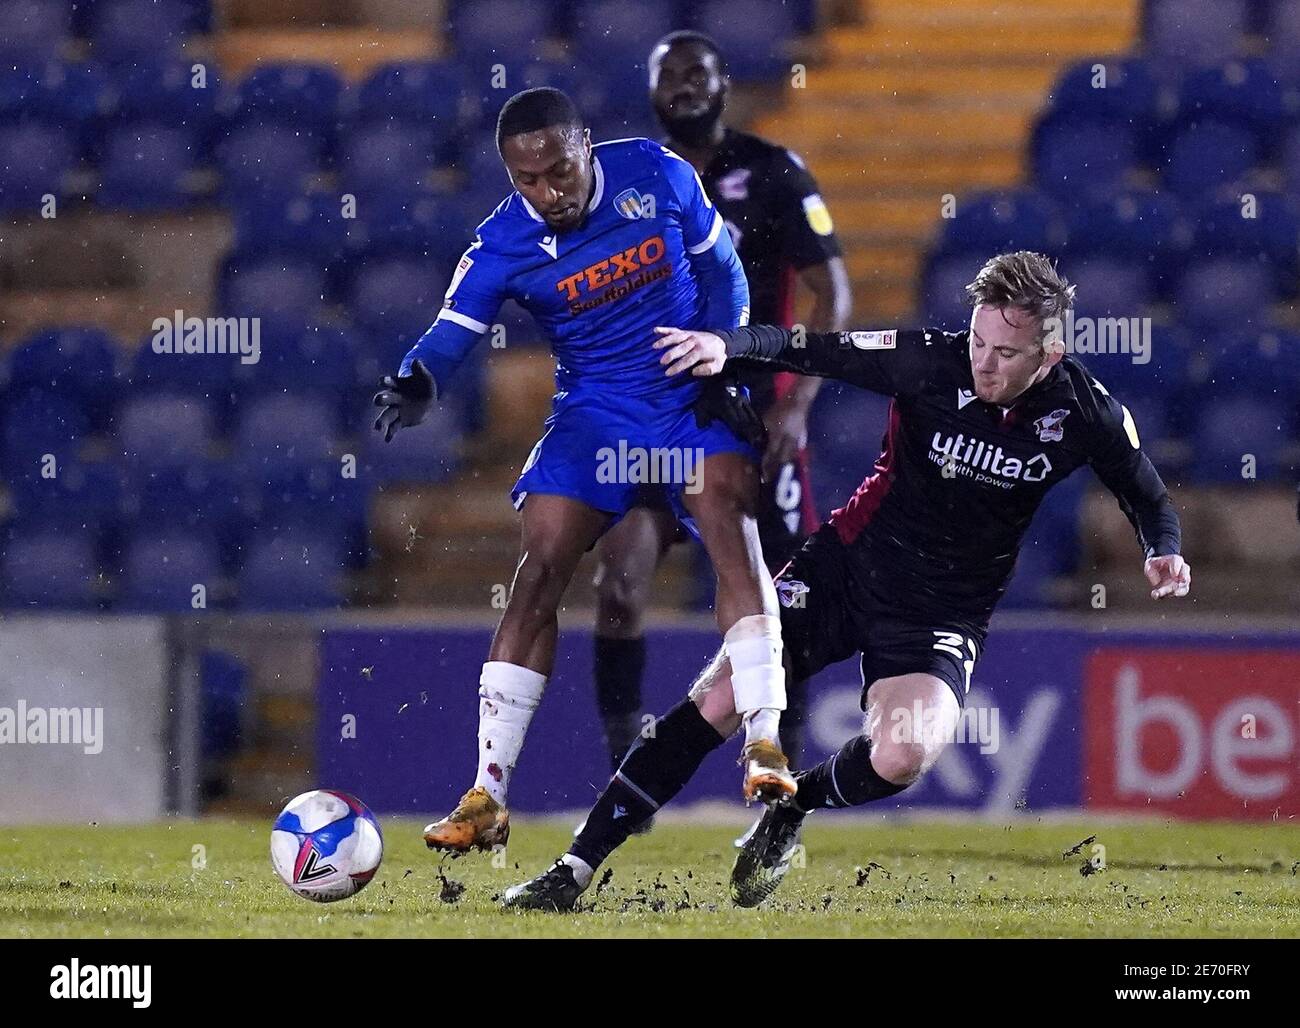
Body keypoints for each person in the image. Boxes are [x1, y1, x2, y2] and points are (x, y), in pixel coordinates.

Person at [502, 250, 1192, 909]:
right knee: (719, 700)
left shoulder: (1085, 411)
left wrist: (1162, 547)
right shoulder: (928, 360)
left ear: (1050, 354)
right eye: (980, 341)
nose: (984, 362)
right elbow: (811, 346)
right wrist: (727, 345)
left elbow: (1145, 491)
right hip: (843, 570)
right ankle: (573, 869)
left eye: (1006, 353)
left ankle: (792, 807)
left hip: (941, 616)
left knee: (904, 755)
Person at [373, 87, 796, 854]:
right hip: (594, 413)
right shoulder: (503, 242)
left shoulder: (659, 176)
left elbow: (727, 277)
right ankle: (488, 794)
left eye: (558, 173)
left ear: (586, 147)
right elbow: (450, 332)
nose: (547, 193)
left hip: (685, 394)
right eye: (526, 180)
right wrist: (417, 380)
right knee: (539, 569)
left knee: (732, 529)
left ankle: (764, 739)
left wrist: (726, 362)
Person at [589, 30, 852, 786]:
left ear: (723, 83)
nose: (682, 85)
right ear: (650, 89)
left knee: (786, 597)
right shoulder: (620, 178)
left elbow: (831, 293)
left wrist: (797, 404)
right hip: (652, 418)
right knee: (619, 583)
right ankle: (624, 774)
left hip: (752, 419)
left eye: (696, 71)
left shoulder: (771, 171)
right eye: (666, 73)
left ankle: (783, 773)